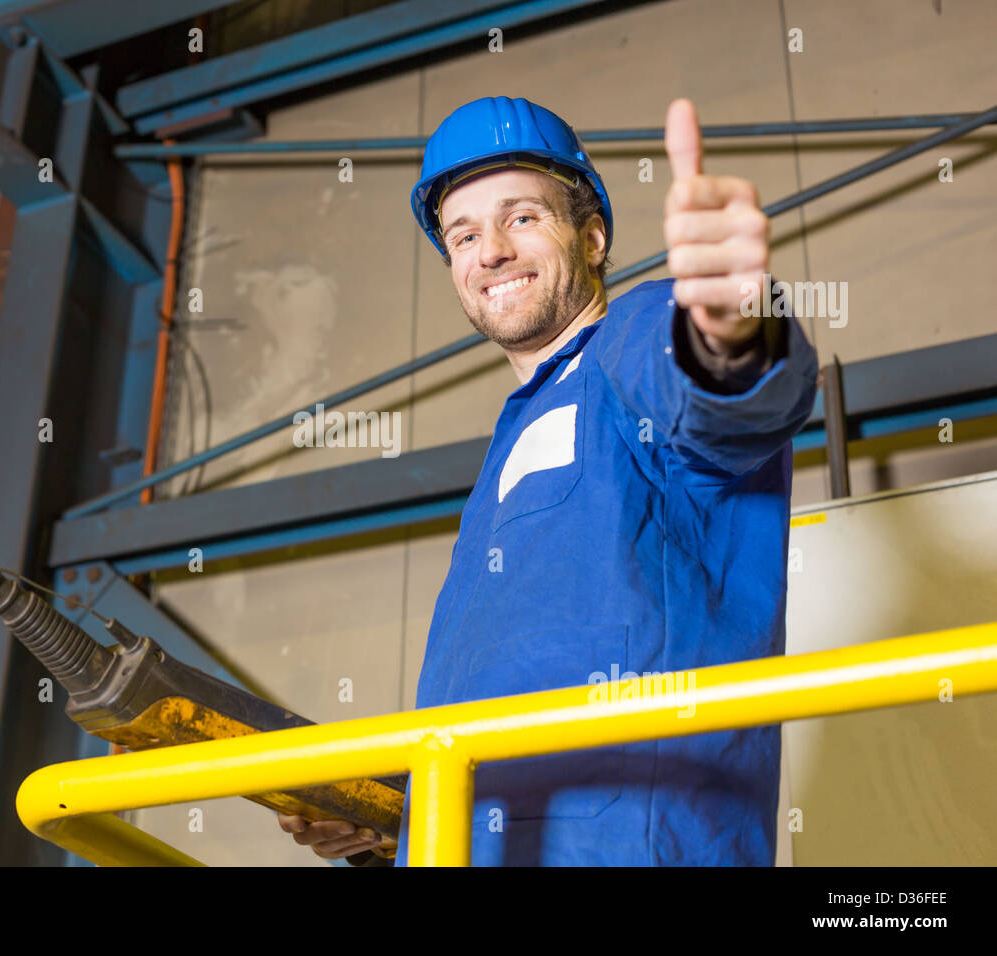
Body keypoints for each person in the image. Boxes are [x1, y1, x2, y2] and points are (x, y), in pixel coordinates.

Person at [277, 95, 818, 865]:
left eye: (521, 217)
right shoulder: (501, 466)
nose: (490, 251)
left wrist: (729, 326)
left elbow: (728, 398)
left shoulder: (635, 340)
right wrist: (391, 821)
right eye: (463, 234)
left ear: (592, 236)